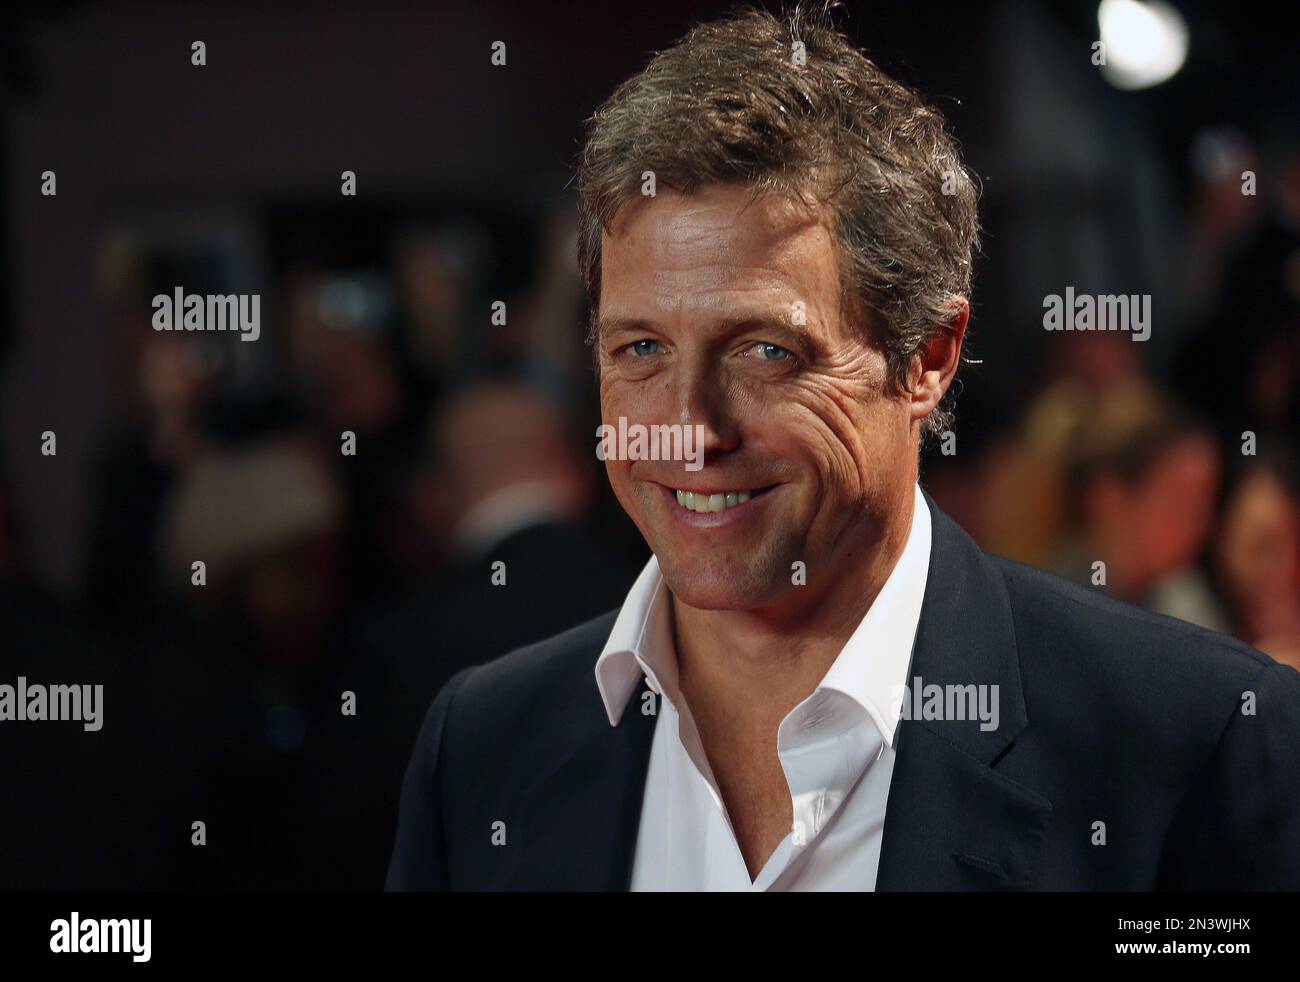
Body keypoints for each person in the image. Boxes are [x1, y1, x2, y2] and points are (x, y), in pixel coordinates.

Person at [387, 5, 1300, 891]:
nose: (691, 430)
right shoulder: (482, 748)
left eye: (765, 352)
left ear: (929, 359)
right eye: (641, 351)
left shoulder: (1191, 742)